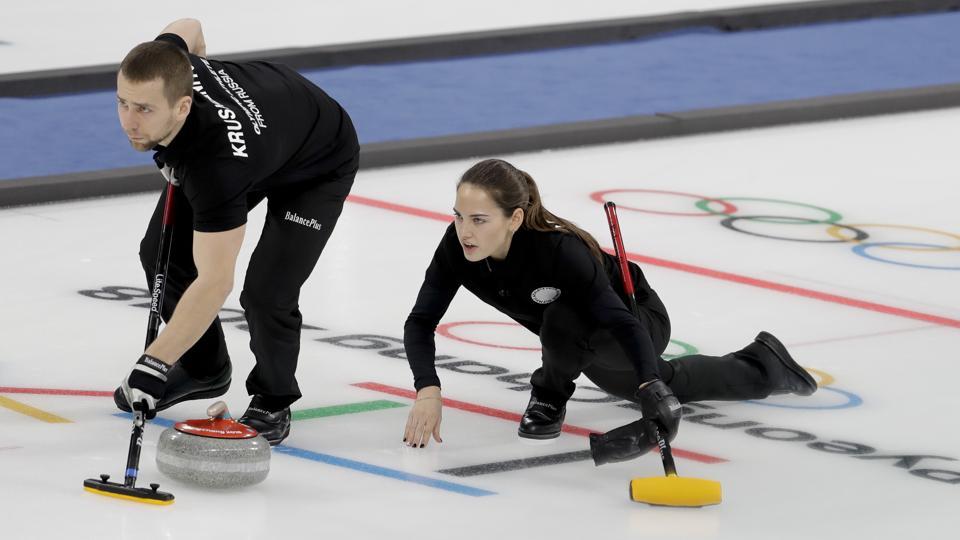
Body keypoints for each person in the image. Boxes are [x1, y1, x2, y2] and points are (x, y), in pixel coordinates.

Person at [401, 158, 816, 462]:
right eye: (458, 217)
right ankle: (764, 365)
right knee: (642, 381)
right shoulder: (457, 247)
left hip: (635, 318)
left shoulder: (560, 251)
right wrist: (428, 389)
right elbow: (421, 321)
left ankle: (548, 396)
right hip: (577, 337)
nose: (465, 231)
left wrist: (649, 385)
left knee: (586, 334)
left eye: (478, 219)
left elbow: (618, 320)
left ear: (514, 218)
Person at [113, 19, 359, 446]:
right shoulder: (173, 63)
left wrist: (154, 364)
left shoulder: (217, 168)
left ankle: (273, 397)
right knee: (162, 255)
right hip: (265, 133)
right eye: (123, 103)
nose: (129, 122)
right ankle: (206, 368)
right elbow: (187, 26)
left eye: (145, 109)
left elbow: (215, 281)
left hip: (317, 162)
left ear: (183, 106)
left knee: (267, 290)